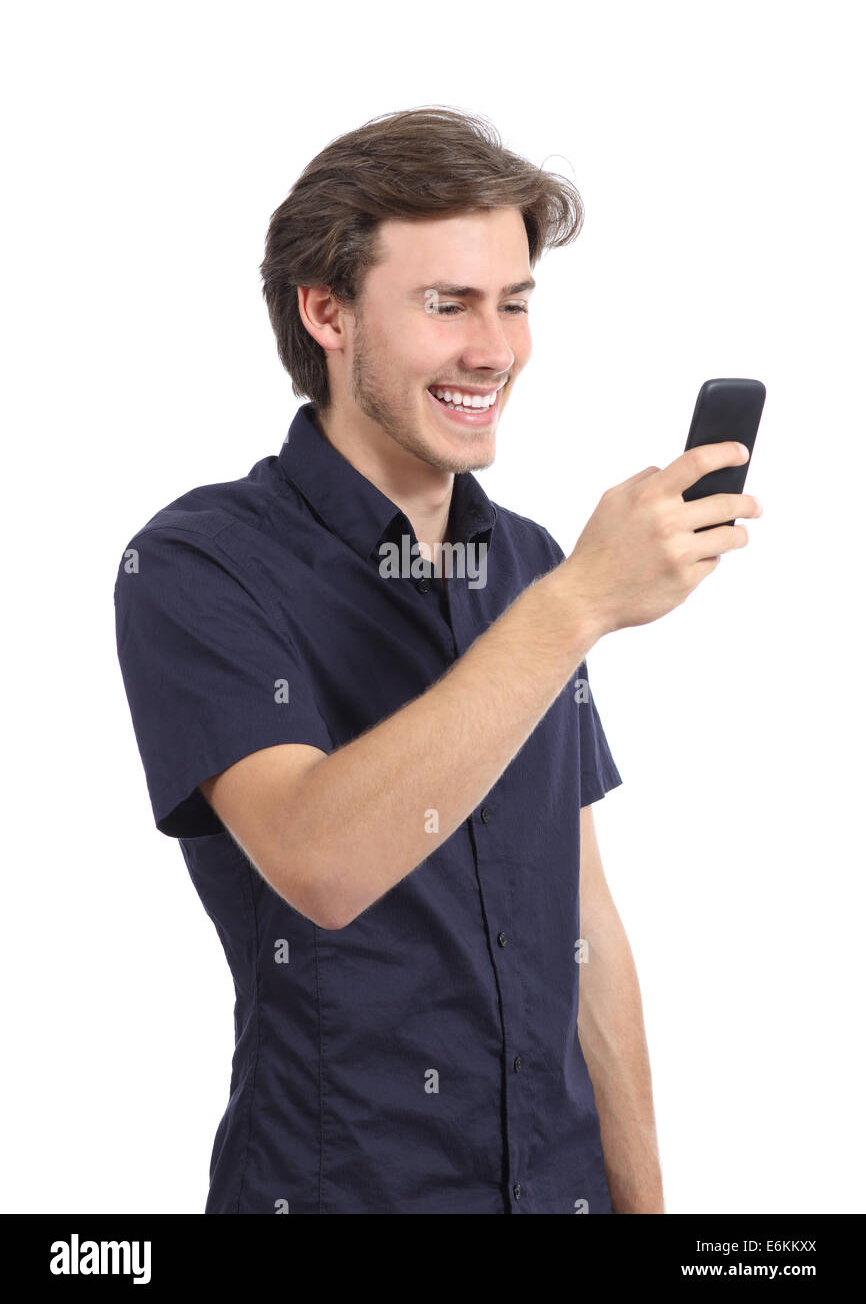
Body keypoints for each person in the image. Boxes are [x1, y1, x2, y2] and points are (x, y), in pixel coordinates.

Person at [114, 105, 761, 1215]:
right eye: (446, 303)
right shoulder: (196, 564)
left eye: (512, 303)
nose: (493, 349)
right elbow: (319, 863)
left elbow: (584, 929)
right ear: (326, 311)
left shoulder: (526, 563)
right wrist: (574, 609)